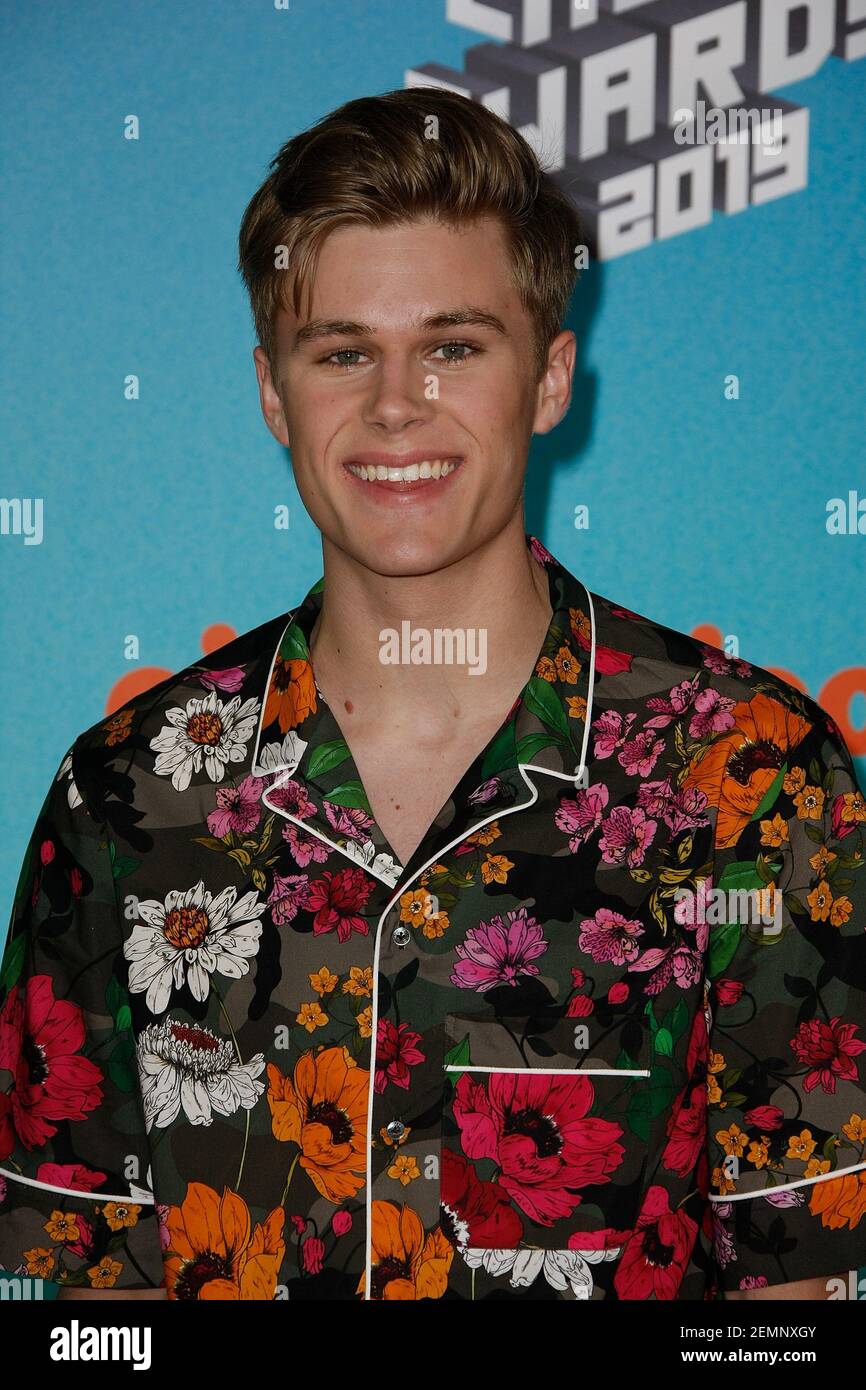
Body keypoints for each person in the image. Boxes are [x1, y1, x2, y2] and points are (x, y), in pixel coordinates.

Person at [1, 88, 864, 1302]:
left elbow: (793, 1290)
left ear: (550, 379)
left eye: (453, 347)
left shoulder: (750, 775)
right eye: (342, 351)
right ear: (271, 393)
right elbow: (100, 1293)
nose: (395, 405)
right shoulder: (124, 795)